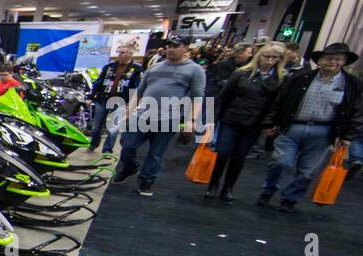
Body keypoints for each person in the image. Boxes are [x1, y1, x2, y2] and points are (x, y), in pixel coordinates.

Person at [257, 42, 362, 212]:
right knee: (280, 162)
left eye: (337, 59)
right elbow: (280, 101)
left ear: (344, 61)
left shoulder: (352, 84)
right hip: (293, 126)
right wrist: (270, 122)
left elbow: (356, 110)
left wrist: (348, 136)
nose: (332, 62)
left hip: (323, 131)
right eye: (328, 58)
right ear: (320, 60)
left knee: (307, 170)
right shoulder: (301, 78)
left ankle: (289, 199)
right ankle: (267, 191)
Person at [111, 34, 206, 196]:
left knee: (156, 153)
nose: (170, 49)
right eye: (168, 45)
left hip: (168, 118)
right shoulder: (155, 67)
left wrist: (190, 120)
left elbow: (197, 96)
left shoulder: (195, 70)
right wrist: (129, 111)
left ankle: (146, 182)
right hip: (141, 115)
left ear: (185, 48)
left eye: (175, 46)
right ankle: (129, 168)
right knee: (127, 145)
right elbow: (139, 92)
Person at [205, 43, 285, 202]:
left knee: (239, 157)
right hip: (231, 118)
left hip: (254, 123)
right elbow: (223, 96)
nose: (269, 60)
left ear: (279, 60)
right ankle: (213, 184)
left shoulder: (281, 79)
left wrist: (269, 124)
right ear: (258, 56)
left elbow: (276, 104)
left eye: (274, 58)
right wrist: (212, 119)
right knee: (222, 153)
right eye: (266, 56)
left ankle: (228, 187)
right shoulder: (241, 73)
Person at [88, 44, 143, 154]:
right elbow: (98, 82)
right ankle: (93, 144)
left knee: (114, 129)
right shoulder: (109, 66)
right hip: (102, 99)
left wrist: (132, 104)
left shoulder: (136, 69)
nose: (120, 55)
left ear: (130, 54)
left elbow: (137, 87)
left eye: (123, 52)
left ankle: (107, 150)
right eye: (119, 52)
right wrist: (90, 97)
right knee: (96, 127)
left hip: (121, 102)